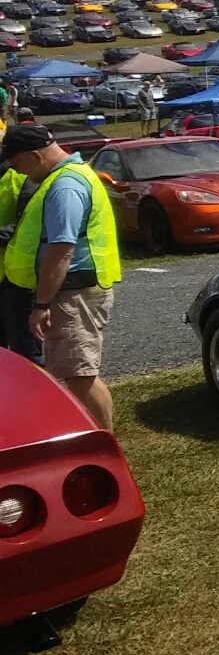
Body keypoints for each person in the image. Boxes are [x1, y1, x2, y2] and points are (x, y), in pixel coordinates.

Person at [1, 124, 122, 430]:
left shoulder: (65, 185)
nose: (21, 174)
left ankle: (104, 443)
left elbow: (61, 250)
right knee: (79, 371)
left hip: (74, 292)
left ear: (34, 155)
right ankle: (102, 436)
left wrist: (40, 305)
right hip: (75, 290)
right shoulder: (65, 176)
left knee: (79, 375)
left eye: (18, 165)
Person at [0, 165, 41, 367]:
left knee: (25, 354)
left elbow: (30, 225)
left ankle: (38, 398)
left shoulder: (23, 178)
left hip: (17, 281)